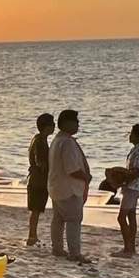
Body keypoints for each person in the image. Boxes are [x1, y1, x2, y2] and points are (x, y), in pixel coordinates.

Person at [46, 109, 92, 263]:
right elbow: (72, 169)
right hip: (68, 189)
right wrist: (86, 176)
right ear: (67, 123)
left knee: (58, 219)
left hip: (56, 186)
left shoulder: (57, 140)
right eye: (76, 121)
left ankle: (57, 248)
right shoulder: (66, 142)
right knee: (73, 220)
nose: (78, 124)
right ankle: (74, 253)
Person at [113, 123, 139, 258]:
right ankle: (131, 247)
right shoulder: (138, 149)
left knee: (121, 218)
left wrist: (124, 180)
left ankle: (128, 248)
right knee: (131, 216)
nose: (129, 136)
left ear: (135, 135)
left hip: (132, 188)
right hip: (134, 188)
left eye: (131, 133)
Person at [25, 113, 55, 247]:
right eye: (52, 124)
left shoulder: (39, 139)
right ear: (46, 126)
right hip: (38, 180)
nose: (54, 126)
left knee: (36, 210)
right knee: (36, 209)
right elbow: (40, 162)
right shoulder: (40, 141)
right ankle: (32, 236)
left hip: (37, 179)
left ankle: (33, 235)